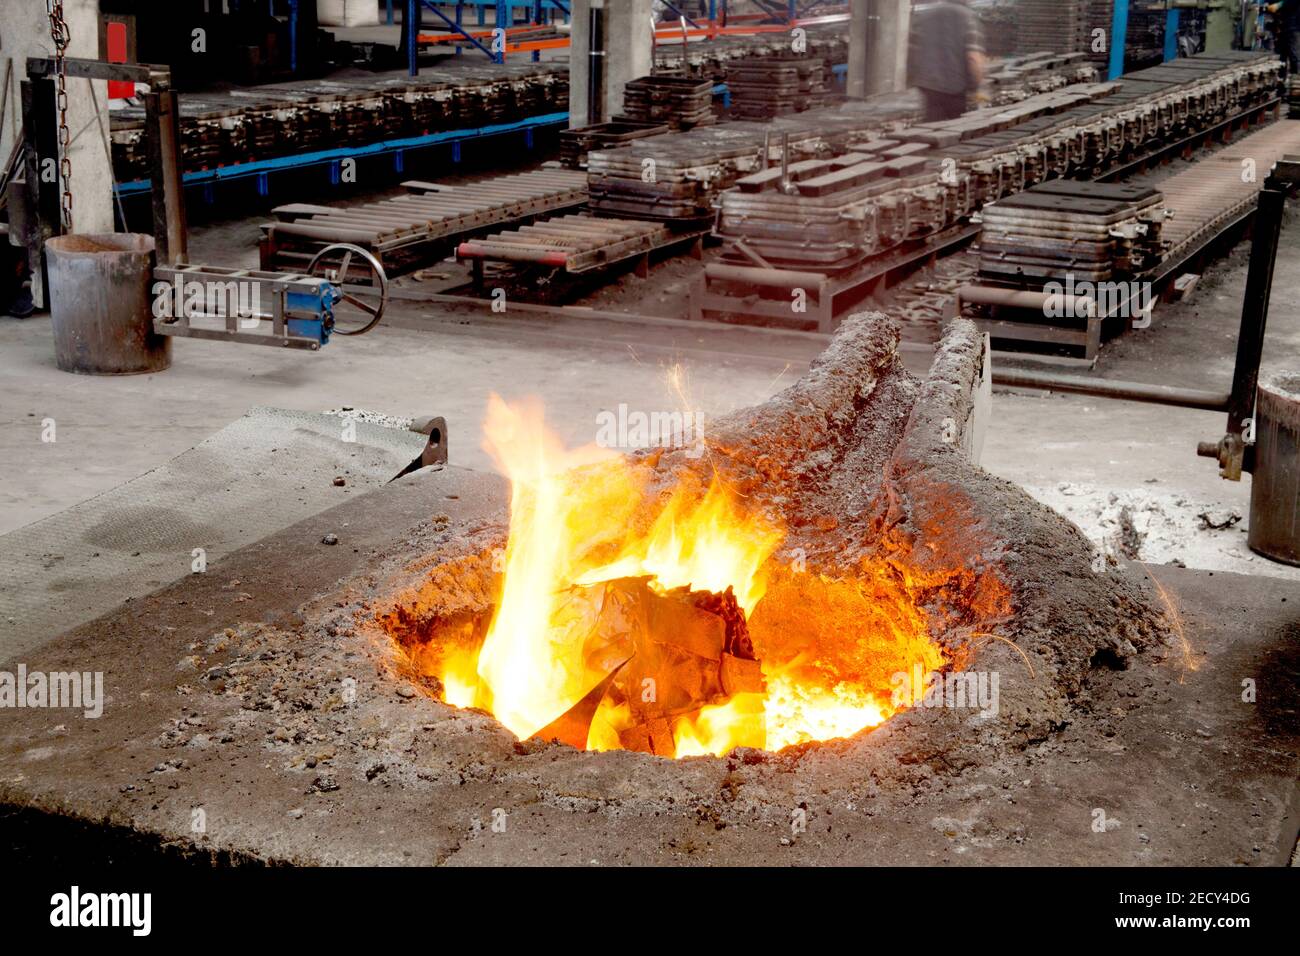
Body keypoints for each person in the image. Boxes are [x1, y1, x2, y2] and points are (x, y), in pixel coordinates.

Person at [907, 0, 986, 122]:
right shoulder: (967, 17)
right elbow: (973, 58)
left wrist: (913, 78)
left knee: (931, 126)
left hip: (928, 85)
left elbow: (912, 51)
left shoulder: (925, 15)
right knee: (956, 128)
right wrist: (976, 87)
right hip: (956, 86)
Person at [1266, 1, 1300, 72]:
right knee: (1285, 54)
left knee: (1295, 55)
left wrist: (1280, 4)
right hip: (1286, 23)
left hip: (1294, 25)